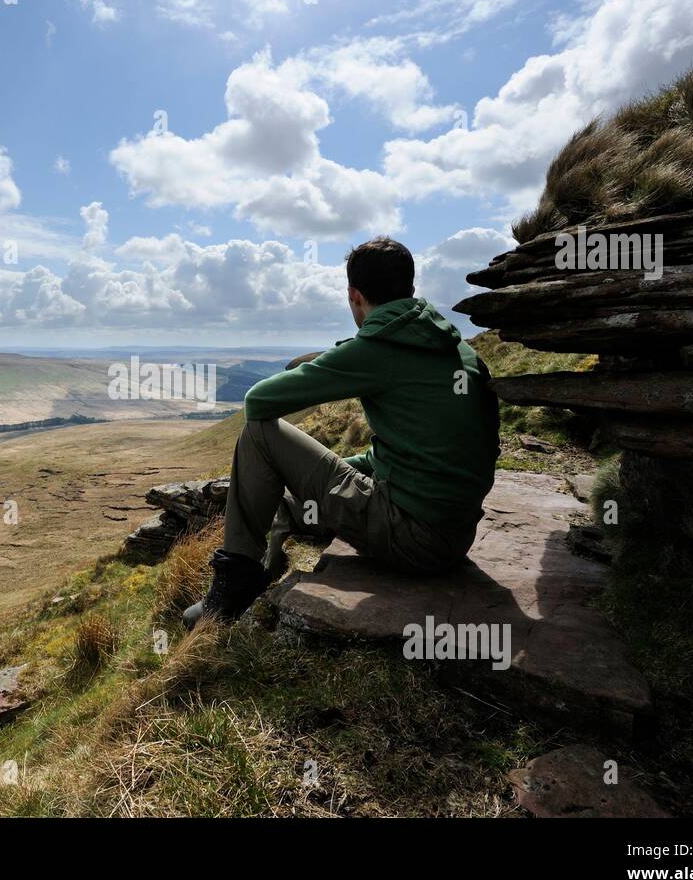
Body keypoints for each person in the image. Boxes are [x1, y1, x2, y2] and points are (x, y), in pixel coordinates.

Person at [183, 236, 500, 629]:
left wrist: (331, 363)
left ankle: (231, 591)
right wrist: (325, 472)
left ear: (354, 296)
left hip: (412, 539)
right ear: (411, 289)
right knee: (288, 506)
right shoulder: (456, 348)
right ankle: (264, 572)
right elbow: (423, 451)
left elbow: (258, 402)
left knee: (259, 434)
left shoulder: (376, 349)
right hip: (454, 535)